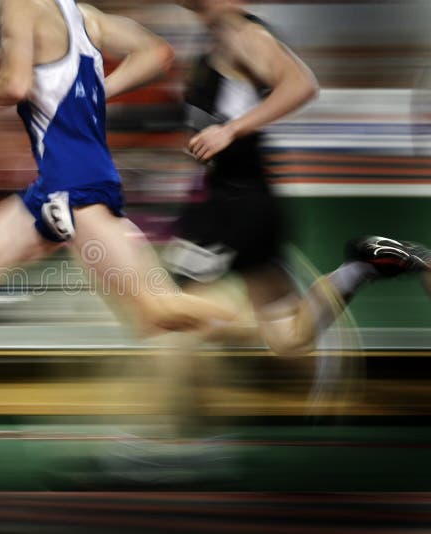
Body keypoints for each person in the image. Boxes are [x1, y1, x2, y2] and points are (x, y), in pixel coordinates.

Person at [0, 0, 238, 452]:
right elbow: (157, 53)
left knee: (157, 312)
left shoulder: (19, 5)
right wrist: (93, 92)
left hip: (75, 186)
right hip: (56, 184)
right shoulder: (82, 14)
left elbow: (15, 85)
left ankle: (262, 323)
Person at [165, 0, 431, 357]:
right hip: (247, 200)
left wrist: (229, 131)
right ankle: (361, 266)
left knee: (171, 310)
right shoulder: (218, 38)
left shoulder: (245, 35)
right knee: (287, 338)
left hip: (232, 206)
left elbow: (301, 84)